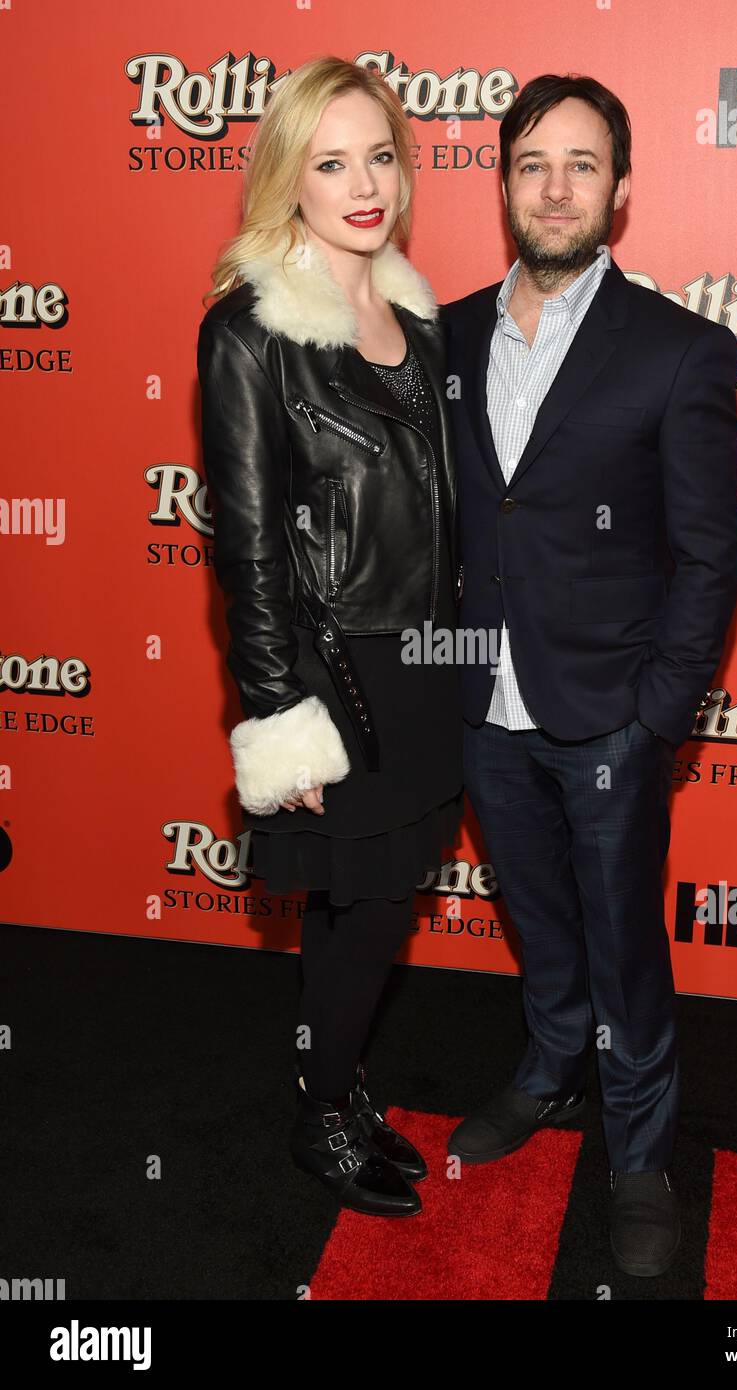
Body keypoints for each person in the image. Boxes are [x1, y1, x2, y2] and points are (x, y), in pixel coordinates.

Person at [442, 74, 737, 1275]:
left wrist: (657, 713)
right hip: (481, 705)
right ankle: (544, 1066)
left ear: (618, 193)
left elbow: (710, 553)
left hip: (610, 714)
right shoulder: (444, 333)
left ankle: (636, 1154)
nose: (554, 187)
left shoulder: (679, 350)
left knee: (627, 948)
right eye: (531, 163)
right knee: (539, 920)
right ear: (504, 183)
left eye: (580, 165)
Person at [197, 56, 464, 1218]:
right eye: (331, 161)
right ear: (286, 178)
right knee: (358, 910)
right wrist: (275, 713)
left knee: (379, 908)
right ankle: (321, 1118)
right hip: (334, 672)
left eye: (380, 156)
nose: (364, 184)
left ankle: (341, 1086)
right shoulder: (249, 332)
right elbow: (247, 547)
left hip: (430, 664)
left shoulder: (414, 309)